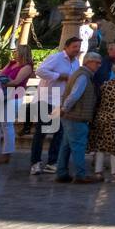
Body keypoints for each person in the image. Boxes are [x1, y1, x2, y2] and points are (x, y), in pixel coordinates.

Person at [31, 37, 82, 174]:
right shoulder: (56, 58)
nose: (77, 50)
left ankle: (52, 162)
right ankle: (35, 163)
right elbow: (40, 71)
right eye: (74, 47)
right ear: (66, 47)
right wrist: (59, 76)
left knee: (59, 133)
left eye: (78, 47)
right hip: (46, 99)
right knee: (41, 133)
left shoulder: (76, 62)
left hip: (60, 101)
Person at [55, 51, 104, 183]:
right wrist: (64, 108)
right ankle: (80, 175)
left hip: (71, 116)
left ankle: (61, 172)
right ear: (88, 62)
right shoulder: (83, 76)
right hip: (76, 116)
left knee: (66, 146)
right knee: (78, 146)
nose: (99, 65)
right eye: (97, 63)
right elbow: (74, 95)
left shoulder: (82, 74)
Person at [0, 45, 33, 165]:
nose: (14, 53)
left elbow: (16, 82)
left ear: (22, 52)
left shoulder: (27, 67)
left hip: (14, 97)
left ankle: (7, 154)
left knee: (7, 124)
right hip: (2, 96)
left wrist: (0, 83)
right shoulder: (11, 63)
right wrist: (0, 81)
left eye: (16, 51)